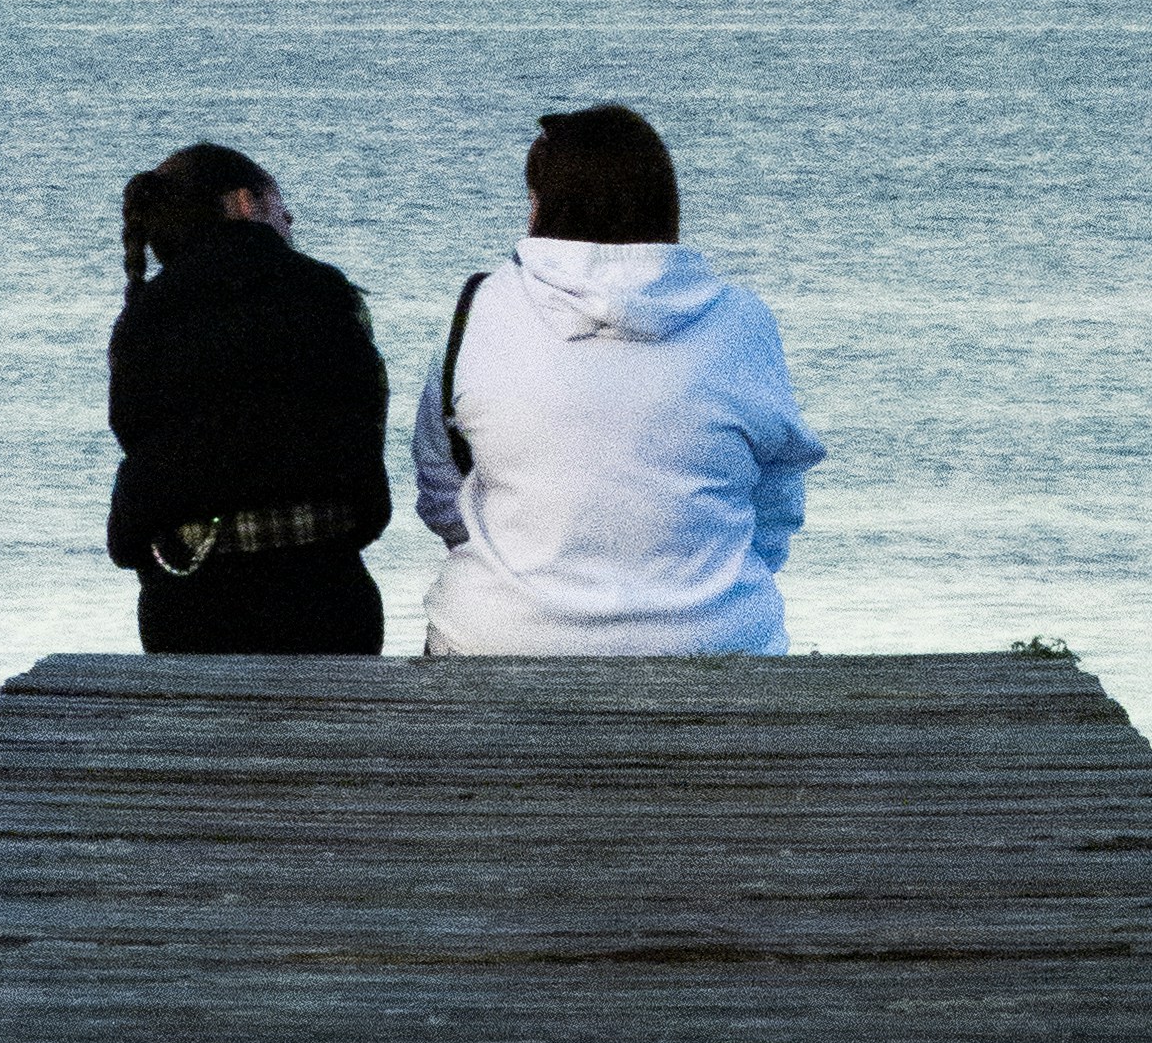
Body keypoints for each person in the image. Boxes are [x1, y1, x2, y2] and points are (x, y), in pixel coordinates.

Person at [411, 103, 822, 656]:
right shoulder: (742, 319)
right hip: (716, 641)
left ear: (539, 205)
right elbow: (777, 492)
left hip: (495, 640)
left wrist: (516, 573)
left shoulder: (479, 308)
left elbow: (441, 484)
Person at [108, 143, 391, 653]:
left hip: (189, 591)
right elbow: (365, 422)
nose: (289, 215)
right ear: (243, 203)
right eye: (277, 200)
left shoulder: (143, 315)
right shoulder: (326, 292)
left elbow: (135, 433)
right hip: (324, 585)